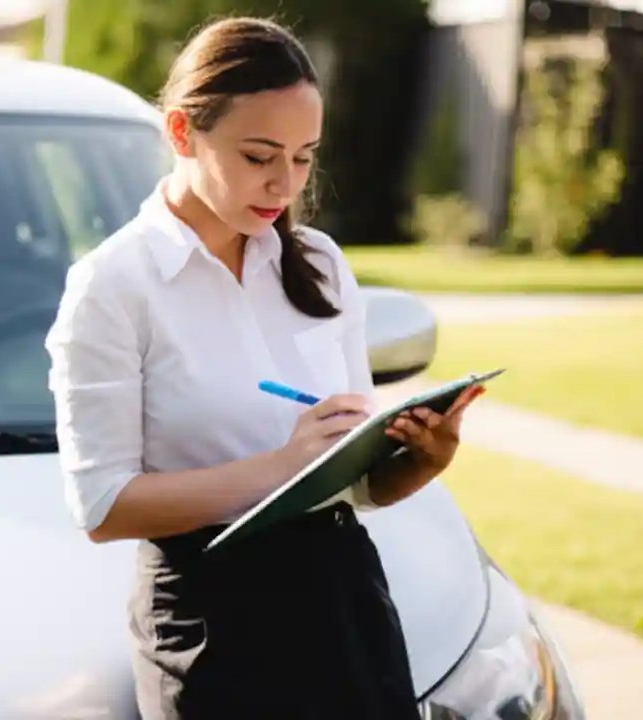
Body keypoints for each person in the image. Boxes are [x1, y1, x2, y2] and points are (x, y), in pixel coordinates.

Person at [44, 15, 484, 720]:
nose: (285, 182)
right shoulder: (113, 287)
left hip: (343, 602)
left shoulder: (322, 266)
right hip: (210, 627)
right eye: (259, 156)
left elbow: (359, 486)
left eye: (305, 157)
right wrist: (283, 464)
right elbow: (102, 507)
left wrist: (421, 458)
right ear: (183, 133)